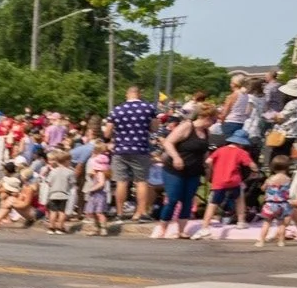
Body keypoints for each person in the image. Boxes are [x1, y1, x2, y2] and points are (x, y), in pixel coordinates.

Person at [156, 106, 213, 239]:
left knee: (188, 200)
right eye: (211, 119)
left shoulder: (206, 132)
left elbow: (204, 151)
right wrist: (176, 157)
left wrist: (206, 165)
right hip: (175, 169)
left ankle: (181, 230)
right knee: (173, 198)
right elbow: (168, 142)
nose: (212, 122)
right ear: (203, 117)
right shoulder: (187, 126)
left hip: (194, 171)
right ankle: (162, 228)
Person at [108, 85, 158, 222]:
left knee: (121, 182)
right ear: (139, 94)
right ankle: (139, 213)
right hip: (140, 148)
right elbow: (154, 128)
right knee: (141, 182)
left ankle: (119, 213)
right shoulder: (148, 108)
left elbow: (107, 132)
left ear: (127, 94)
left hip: (120, 149)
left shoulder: (117, 110)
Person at [196, 129, 255, 236]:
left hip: (219, 181)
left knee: (212, 203)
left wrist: (213, 170)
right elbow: (251, 165)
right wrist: (255, 170)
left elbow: (208, 161)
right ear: (242, 143)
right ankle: (241, 221)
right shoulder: (242, 152)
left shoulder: (220, 150)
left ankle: (205, 226)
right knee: (239, 198)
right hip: (234, 180)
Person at [254, 155, 295, 250]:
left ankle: (261, 241)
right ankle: (281, 241)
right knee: (281, 224)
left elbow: (263, 188)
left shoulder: (270, 179)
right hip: (283, 205)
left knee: (266, 223)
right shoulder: (288, 179)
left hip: (270, 204)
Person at [42, 149, 75, 234]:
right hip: (64, 194)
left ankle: (51, 227)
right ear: (66, 161)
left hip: (53, 194)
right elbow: (72, 183)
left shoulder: (53, 171)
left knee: (53, 211)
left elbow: (48, 182)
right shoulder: (70, 172)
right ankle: (60, 227)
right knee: (62, 211)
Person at [82, 151, 112, 235]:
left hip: (99, 195)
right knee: (92, 212)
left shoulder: (100, 173)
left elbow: (101, 183)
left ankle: (103, 228)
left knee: (99, 212)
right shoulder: (97, 173)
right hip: (94, 195)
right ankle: (96, 228)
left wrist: (92, 189)